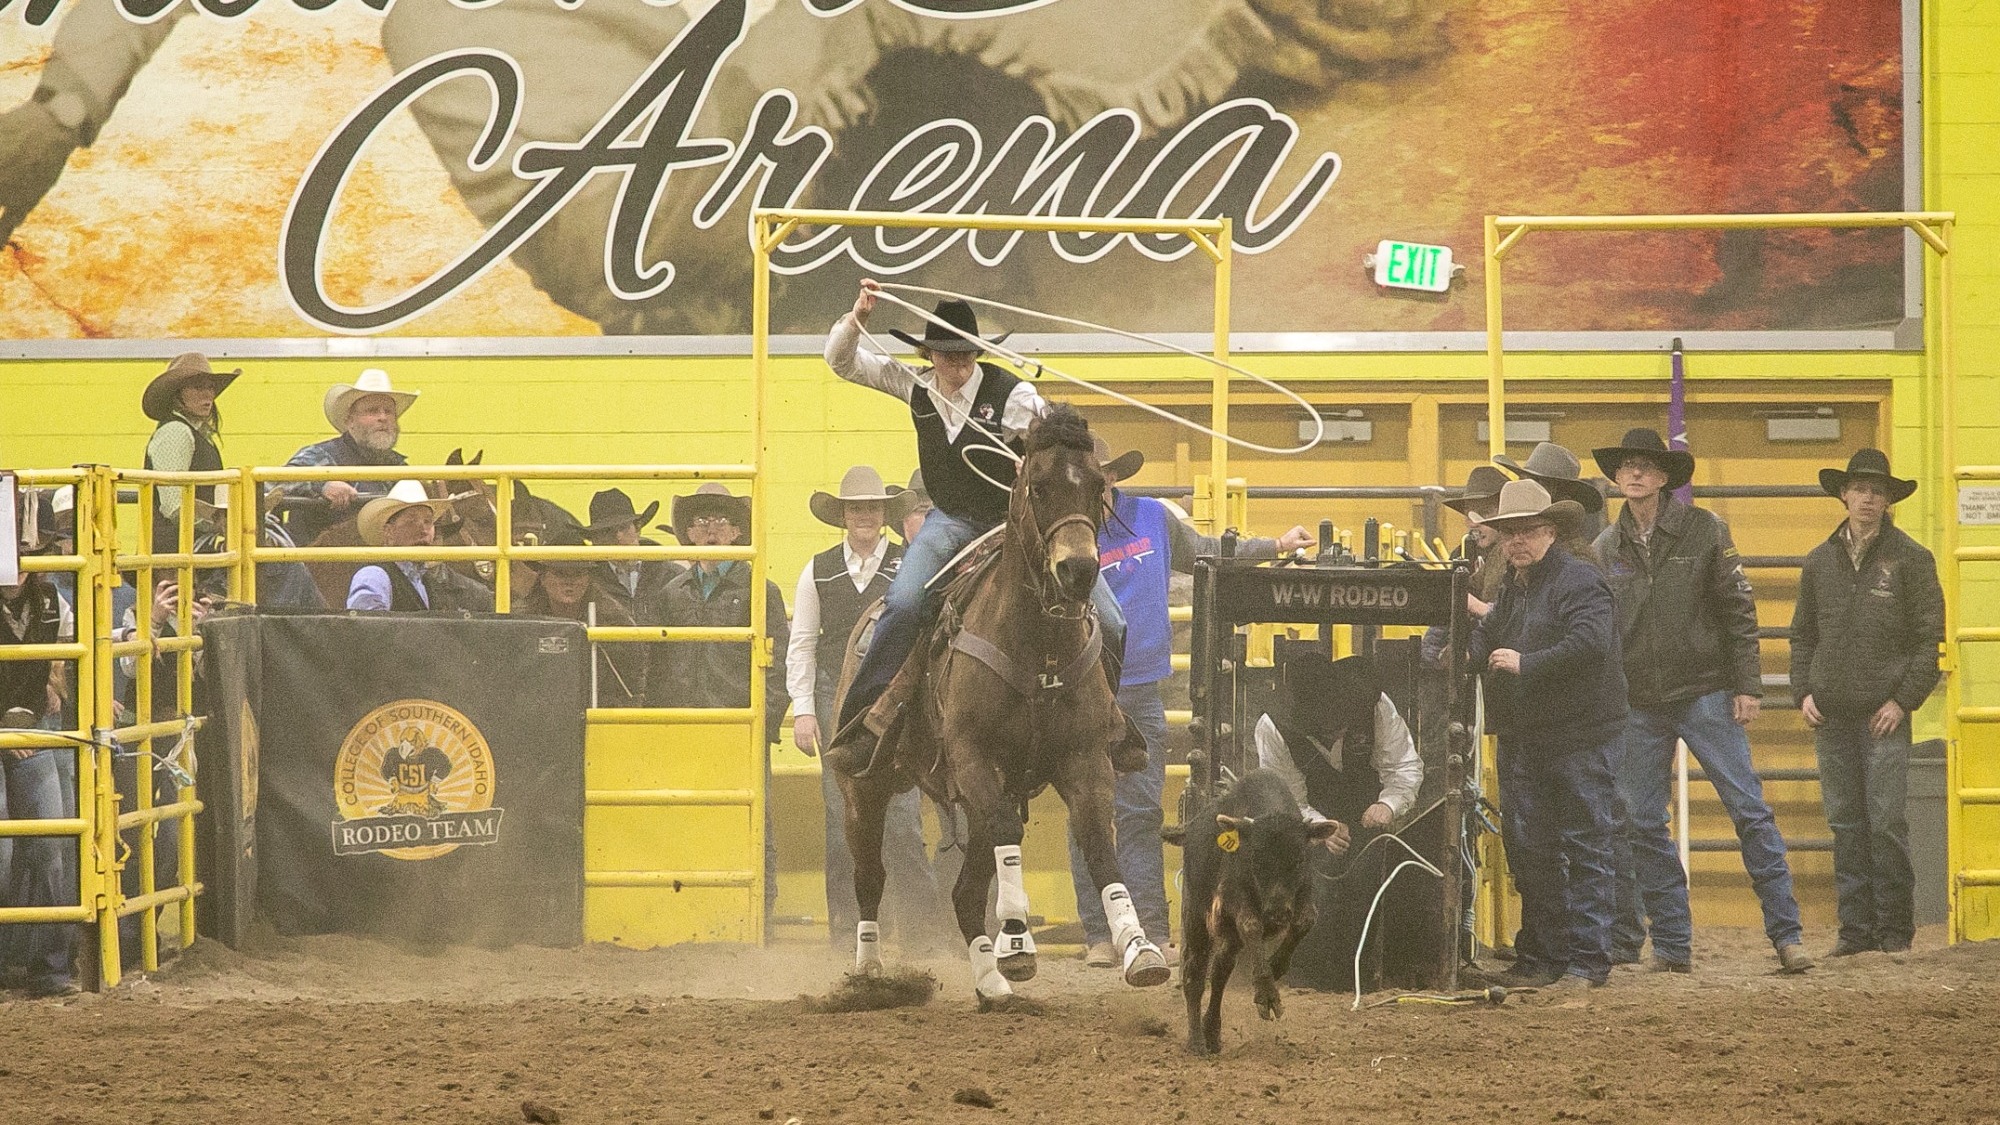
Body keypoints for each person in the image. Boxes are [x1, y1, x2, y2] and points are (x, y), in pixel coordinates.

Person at [820, 280, 1127, 775]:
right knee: (902, 604)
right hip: (951, 519)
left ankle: (1110, 722)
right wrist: (857, 317)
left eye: (965, 354)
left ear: (978, 352)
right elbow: (842, 362)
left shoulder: (1014, 394)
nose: (958, 364)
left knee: (1112, 622)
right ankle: (864, 722)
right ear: (929, 354)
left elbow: (1057, 446)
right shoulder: (914, 385)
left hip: (1016, 525)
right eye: (946, 354)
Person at [1068, 436, 1312, 967]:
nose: (1098, 484)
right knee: (1088, 809)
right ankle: (1101, 932)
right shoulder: (1069, 535)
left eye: (1102, 475)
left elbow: (1207, 549)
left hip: (1137, 688)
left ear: (1112, 477)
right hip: (1083, 688)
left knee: (1136, 810)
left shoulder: (1153, 517)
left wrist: (1273, 545)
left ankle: (1148, 929)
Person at [1590, 428, 1812, 975]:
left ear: (1664, 477)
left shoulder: (1705, 530)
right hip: (1641, 699)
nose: (1635, 475)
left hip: (1706, 690)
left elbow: (1738, 608)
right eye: (1627, 467)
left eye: (1645, 466)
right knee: (1642, 821)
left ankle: (1786, 935)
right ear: (1617, 478)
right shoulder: (1605, 548)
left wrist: (1748, 685)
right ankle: (1673, 944)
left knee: (1748, 810)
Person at [1468, 479, 1627, 990]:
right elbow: (1487, 637)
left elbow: (1591, 645)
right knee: (1530, 847)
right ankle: (1548, 955)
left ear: (1551, 531)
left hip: (1578, 734)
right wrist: (1461, 657)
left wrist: (1525, 663)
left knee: (1583, 845)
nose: (1516, 541)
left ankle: (1585, 961)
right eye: (1509, 532)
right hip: (1531, 735)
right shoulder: (1517, 588)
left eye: (1527, 531)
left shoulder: (1578, 580)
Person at [786, 466, 948, 950]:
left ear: (884, 515)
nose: (864, 516)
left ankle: (918, 934)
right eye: (856, 508)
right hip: (836, 701)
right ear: (843, 515)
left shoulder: (910, 563)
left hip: (896, 699)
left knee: (901, 820)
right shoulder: (817, 570)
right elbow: (802, 644)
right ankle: (847, 935)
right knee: (843, 822)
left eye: (872, 508)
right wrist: (803, 709)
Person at [1791, 448, 1944, 958]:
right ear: (1844, 494)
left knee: (1885, 823)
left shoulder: (1913, 560)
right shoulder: (1818, 561)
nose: (1868, 498)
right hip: (1831, 715)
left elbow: (1930, 641)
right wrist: (1803, 692)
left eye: (1878, 491)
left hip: (1884, 716)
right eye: (1860, 489)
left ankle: (1895, 930)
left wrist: (1902, 701)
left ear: (1888, 500)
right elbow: (1802, 636)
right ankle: (1855, 932)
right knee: (1845, 823)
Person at [645, 484, 790, 914]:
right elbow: (659, 662)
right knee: (688, 816)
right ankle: (695, 908)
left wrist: (762, 719)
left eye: (722, 522)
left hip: (739, 722)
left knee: (751, 820)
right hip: (684, 722)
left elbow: (777, 661)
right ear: (688, 533)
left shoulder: (761, 590)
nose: (712, 530)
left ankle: (759, 911)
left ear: (737, 531)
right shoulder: (672, 592)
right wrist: (658, 720)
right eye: (702, 522)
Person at [0, 525, 79, 998]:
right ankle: (35, 963)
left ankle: (49, 966)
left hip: (31, 731)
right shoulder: (55, 602)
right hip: (23, 731)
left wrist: (52, 687)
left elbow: (63, 670)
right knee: (6, 851)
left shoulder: (54, 603)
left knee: (50, 845)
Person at [1253, 653, 1419, 842]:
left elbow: (1403, 766)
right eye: (1327, 727)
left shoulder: (1375, 706)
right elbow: (1286, 800)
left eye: (1343, 720)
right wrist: (1320, 828)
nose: (1339, 732)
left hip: (1375, 831)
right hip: (1306, 839)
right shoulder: (1272, 729)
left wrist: (1389, 804)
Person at [278, 369, 418, 548]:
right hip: (319, 568)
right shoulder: (321, 456)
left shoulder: (399, 469)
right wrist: (321, 485)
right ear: (349, 421)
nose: (382, 418)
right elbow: (274, 483)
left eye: (389, 411)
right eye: (372, 411)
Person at [519, 523, 648, 708]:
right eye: (560, 573)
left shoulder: (614, 620)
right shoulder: (523, 620)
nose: (569, 582)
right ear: (543, 578)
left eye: (578, 573)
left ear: (589, 578)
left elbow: (632, 681)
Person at [140, 352, 238, 557]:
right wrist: (218, 524)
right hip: (177, 552)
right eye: (198, 387)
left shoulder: (191, 433)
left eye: (210, 387)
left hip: (190, 547)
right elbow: (173, 507)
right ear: (178, 394)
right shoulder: (176, 432)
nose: (208, 394)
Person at [346, 481, 455, 612]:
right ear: (389, 531)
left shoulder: (425, 580)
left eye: (428, 521)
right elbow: (366, 629)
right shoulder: (374, 575)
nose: (424, 530)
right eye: (411, 521)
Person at [1495, 441, 1608, 552]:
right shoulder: (1510, 548)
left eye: (1535, 484)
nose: (1524, 489)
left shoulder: (1570, 559)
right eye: (1523, 481)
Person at [584, 488, 678, 607]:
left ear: (637, 529)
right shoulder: (588, 582)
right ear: (596, 540)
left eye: (623, 527)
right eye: (608, 531)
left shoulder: (670, 575)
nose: (618, 536)